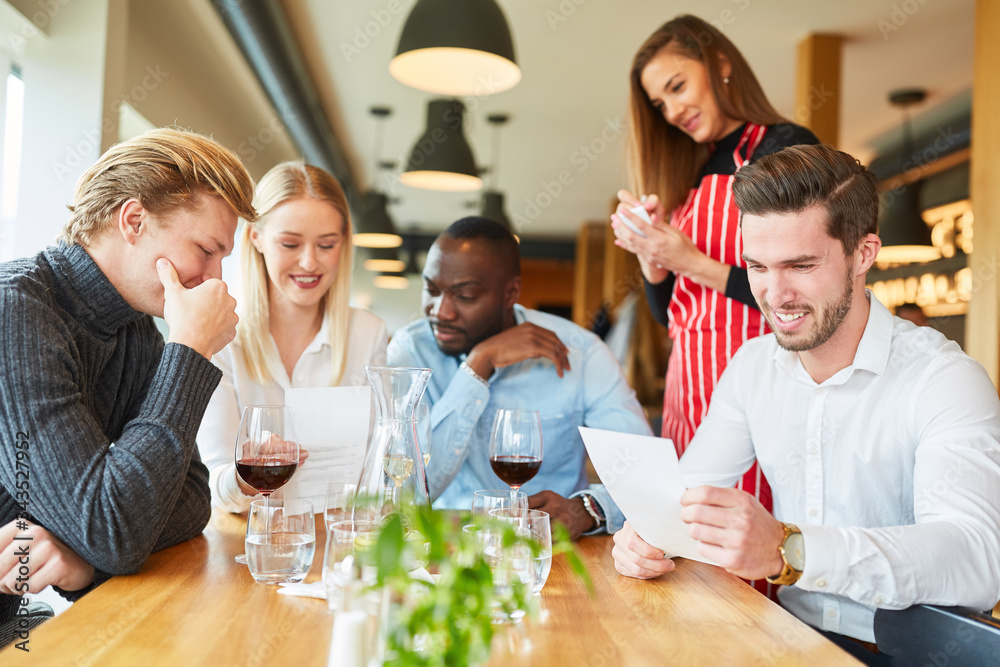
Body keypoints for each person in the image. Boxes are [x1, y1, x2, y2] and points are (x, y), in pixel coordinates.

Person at [612, 144, 1000, 660]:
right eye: (757, 266)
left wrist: (789, 550)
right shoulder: (752, 367)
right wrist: (645, 536)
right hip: (789, 641)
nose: (774, 294)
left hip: (910, 655)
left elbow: (975, 561)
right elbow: (690, 496)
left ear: (863, 253)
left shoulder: (944, 379)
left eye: (800, 265)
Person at [0, 129, 256, 634]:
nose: (215, 279)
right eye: (206, 249)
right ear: (133, 220)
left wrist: (85, 555)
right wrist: (189, 349)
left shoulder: (134, 328)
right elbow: (113, 525)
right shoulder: (14, 311)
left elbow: (192, 497)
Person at [611, 15, 820, 528]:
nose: (673, 110)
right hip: (691, 385)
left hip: (764, 378)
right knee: (691, 538)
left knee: (746, 541)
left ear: (720, 64)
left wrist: (689, 260)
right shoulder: (692, 170)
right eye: (660, 104)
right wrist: (651, 254)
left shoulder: (785, 145)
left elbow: (796, 293)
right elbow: (669, 317)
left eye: (677, 86)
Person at [387, 217, 653, 539]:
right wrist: (477, 366)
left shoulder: (582, 353)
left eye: (465, 295)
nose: (441, 311)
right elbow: (408, 492)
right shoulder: (409, 354)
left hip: (555, 554)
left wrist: (587, 509)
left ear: (511, 292)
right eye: (431, 290)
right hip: (443, 549)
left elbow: (645, 474)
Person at [197, 162, 387, 513]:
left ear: (343, 243)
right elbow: (215, 487)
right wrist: (245, 476)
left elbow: (377, 471)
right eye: (290, 243)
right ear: (256, 237)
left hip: (335, 543)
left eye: (326, 245)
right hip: (242, 545)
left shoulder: (368, 334)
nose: (309, 262)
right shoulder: (222, 335)